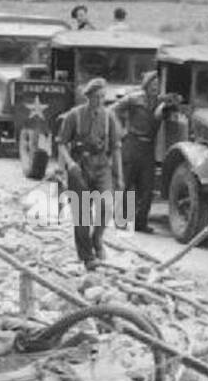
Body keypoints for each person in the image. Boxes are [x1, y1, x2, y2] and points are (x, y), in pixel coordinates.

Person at [57, 75, 123, 269]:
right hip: (80, 167)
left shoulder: (109, 117)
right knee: (82, 214)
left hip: (102, 166)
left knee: (107, 205)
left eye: (103, 97)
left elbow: (116, 147)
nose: (100, 101)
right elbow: (61, 143)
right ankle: (87, 256)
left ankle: (97, 238)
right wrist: (69, 164)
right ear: (89, 97)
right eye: (96, 97)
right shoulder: (74, 115)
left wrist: (119, 177)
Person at [112, 70, 176, 233]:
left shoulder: (161, 103)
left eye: (158, 85)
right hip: (132, 144)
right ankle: (121, 220)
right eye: (152, 84)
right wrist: (120, 130)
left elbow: (167, 112)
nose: (155, 88)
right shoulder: (134, 98)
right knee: (126, 184)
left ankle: (141, 223)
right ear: (146, 85)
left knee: (146, 188)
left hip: (149, 148)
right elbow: (113, 110)